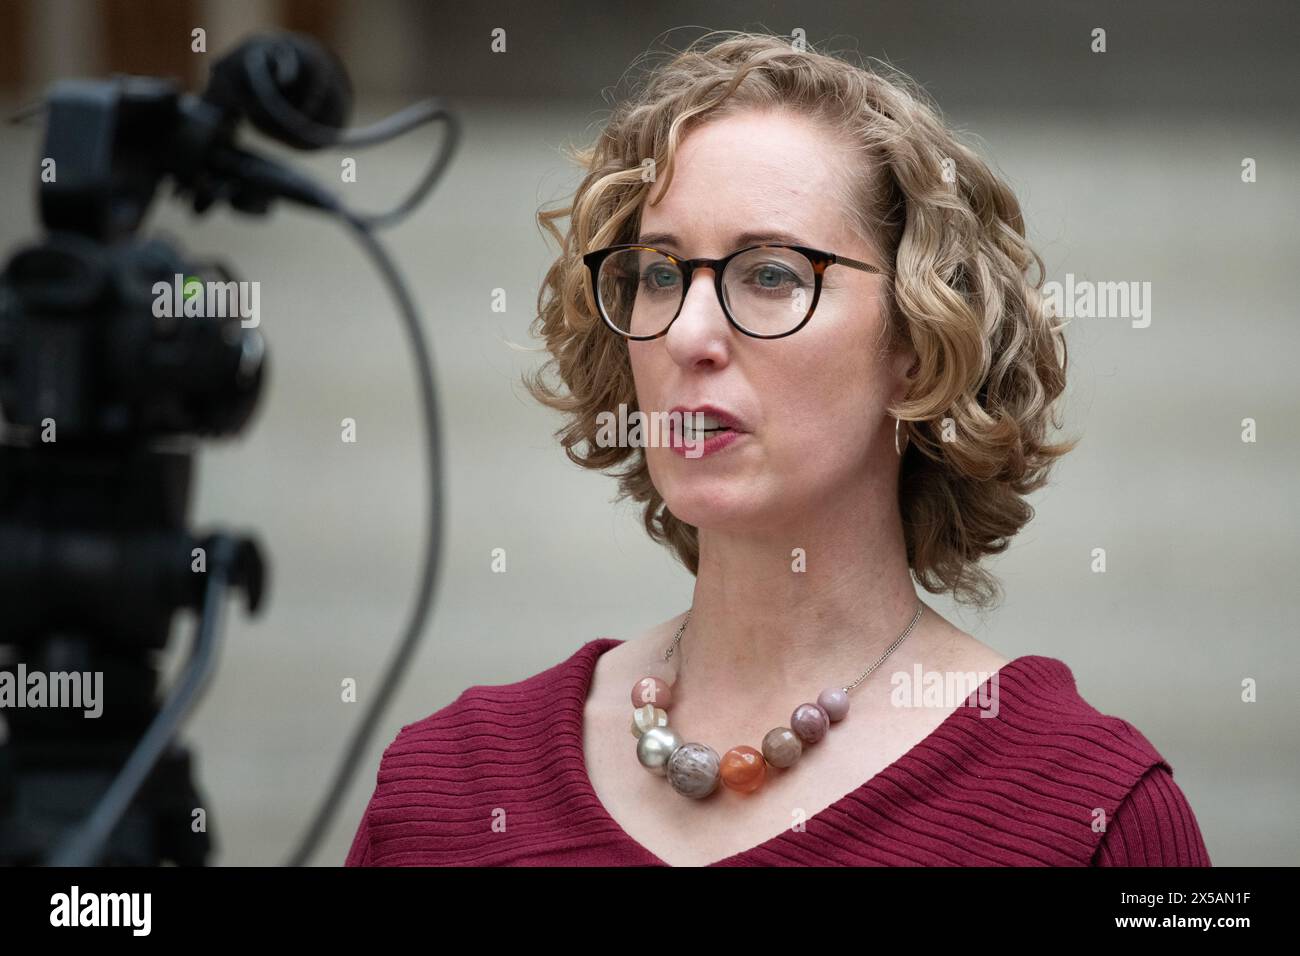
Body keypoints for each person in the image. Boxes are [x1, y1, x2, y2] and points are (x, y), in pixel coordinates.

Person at [345, 30, 1210, 867]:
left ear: (919, 353)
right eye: (657, 272)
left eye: (769, 275)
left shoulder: (1085, 811)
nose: (688, 333)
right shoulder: (447, 789)